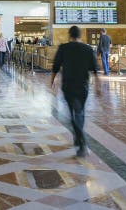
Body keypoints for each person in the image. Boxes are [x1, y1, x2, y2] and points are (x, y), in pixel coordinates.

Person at [51, 26, 98, 157]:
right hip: (83, 86)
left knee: (74, 114)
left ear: (69, 35)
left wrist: (52, 80)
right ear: (80, 35)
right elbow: (94, 68)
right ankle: (79, 139)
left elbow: (55, 65)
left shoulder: (63, 48)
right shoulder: (87, 49)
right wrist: (98, 85)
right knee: (80, 111)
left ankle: (82, 142)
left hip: (68, 86)